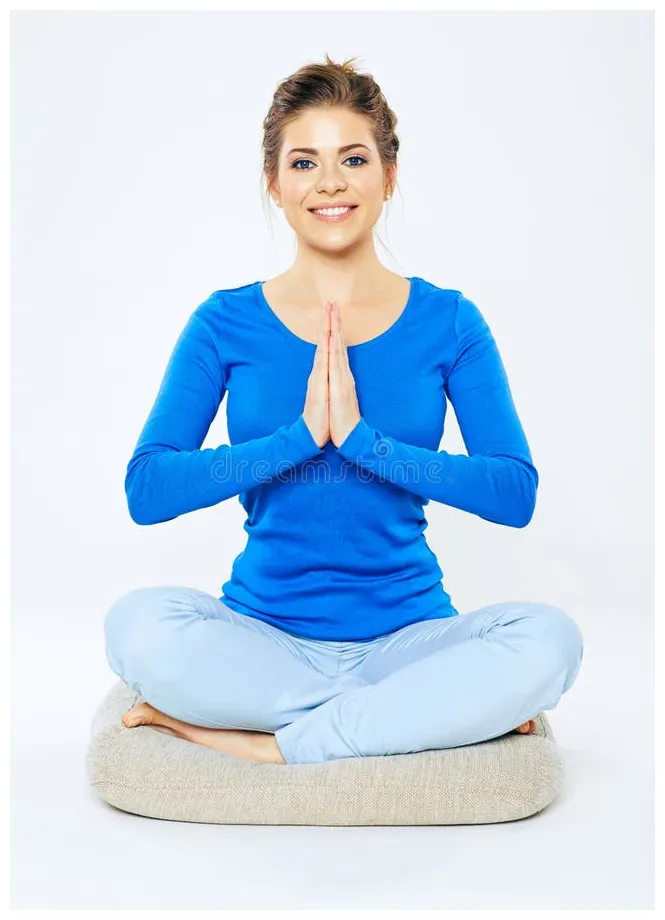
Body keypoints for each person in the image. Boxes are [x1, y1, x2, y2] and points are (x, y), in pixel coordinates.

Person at [104, 54, 584, 766]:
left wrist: (364, 443)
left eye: (353, 159)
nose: (329, 182)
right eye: (304, 163)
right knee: (137, 625)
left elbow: (514, 493)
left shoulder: (450, 320)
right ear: (274, 184)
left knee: (549, 640)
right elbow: (147, 490)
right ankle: (397, 721)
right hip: (262, 642)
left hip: (408, 645)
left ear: (388, 176)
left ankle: (279, 742)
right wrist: (297, 439)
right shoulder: (224, 322)